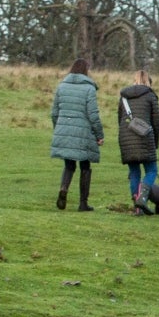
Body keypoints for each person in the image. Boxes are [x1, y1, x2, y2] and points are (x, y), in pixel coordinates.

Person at [51, 57, 103, 211]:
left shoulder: (61, 87)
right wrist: (99, 134)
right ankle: (83, 203)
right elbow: (93, 114)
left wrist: (59, 128)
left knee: (69, 165)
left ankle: (64, 189)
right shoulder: (89, 88)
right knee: (85, 166)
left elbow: (54, 113)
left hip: (64, 130)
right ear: (86, 70)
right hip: (84, 132)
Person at [117, 70, 159, 216]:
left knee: (134, 172)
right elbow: (156, 122)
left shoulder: (124, 97)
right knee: (151, 170)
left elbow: (120, 119)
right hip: (144, 136)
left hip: (126, 137)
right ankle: (142, 198)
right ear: (148, 81)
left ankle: (137, 207)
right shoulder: (150, 95)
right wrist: (155, 142)